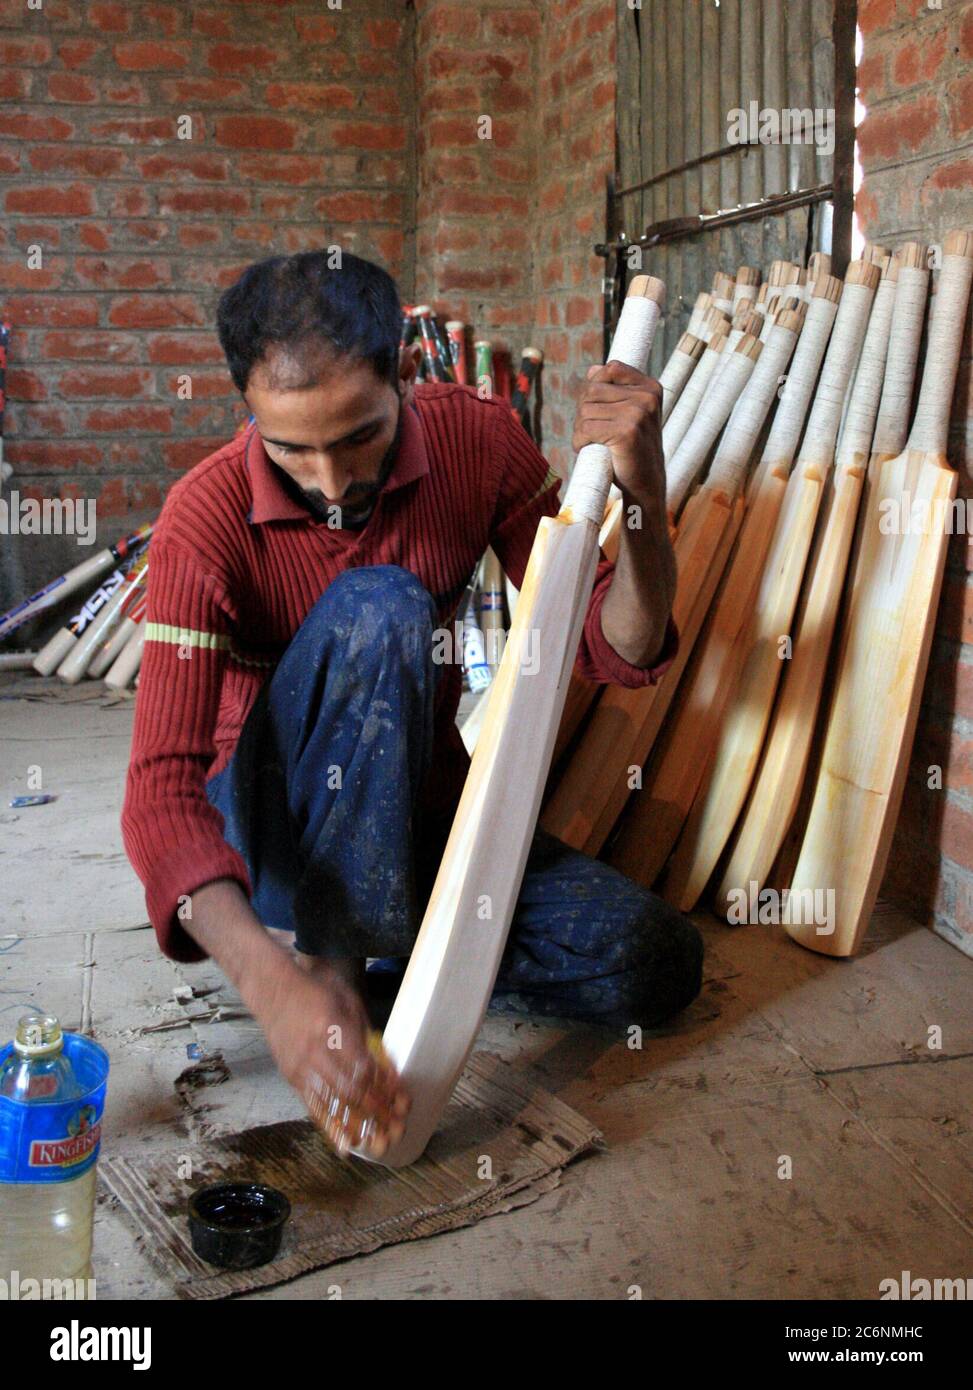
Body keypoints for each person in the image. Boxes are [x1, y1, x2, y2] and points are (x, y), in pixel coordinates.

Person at [121, 250, 703, 1160]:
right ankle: (329, 963)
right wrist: (275, 989)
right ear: (247, 408)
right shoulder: (204, 515)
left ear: (403, 373)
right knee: (380, 604)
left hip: (409, 820)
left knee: (653, 958)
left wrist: (644, 496)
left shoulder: (476, 441)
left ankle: (377, 953)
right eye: (291, 447)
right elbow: (159, 795)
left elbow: (606, 645)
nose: (328, 480)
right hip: (272, 835)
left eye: (357, 436)